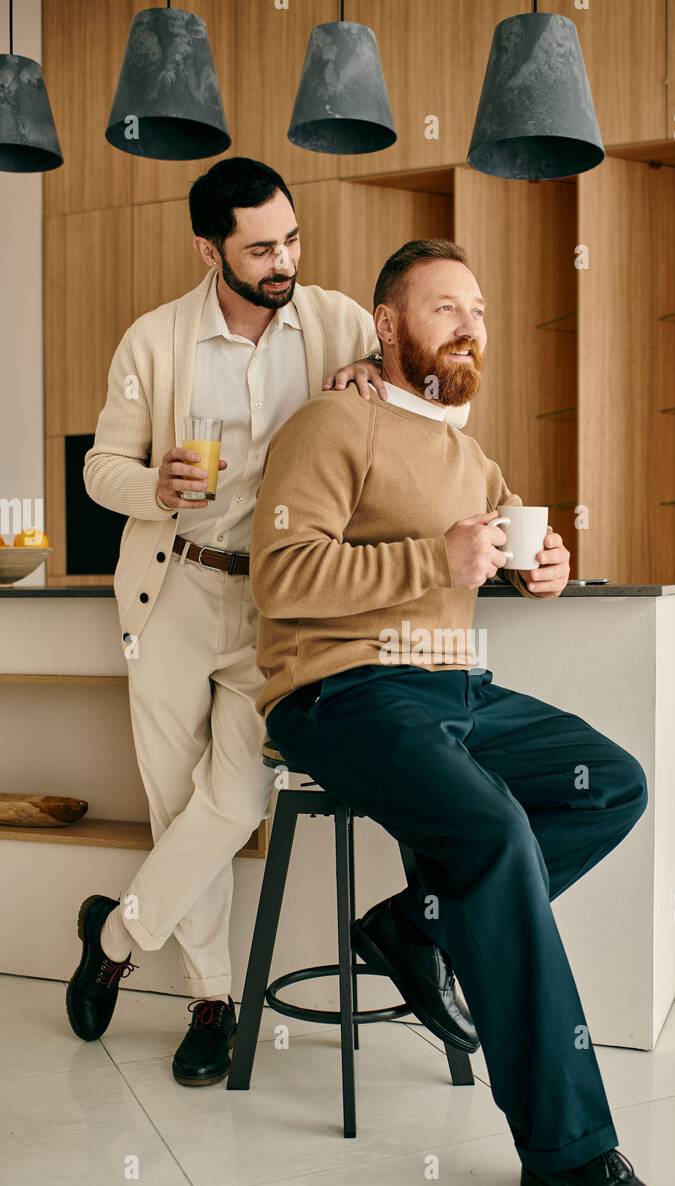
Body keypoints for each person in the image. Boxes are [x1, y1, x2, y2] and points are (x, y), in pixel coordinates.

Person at [249, 238, 675, 1186]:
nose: (467, 324)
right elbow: (280, 579)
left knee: (608, 785)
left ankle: (416, 924)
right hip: (340, 689)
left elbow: (479, 548)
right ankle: (570, 1150)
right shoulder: (330, 421)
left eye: (478, 309)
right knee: (491, 834)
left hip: (450, 682)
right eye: (443, 306)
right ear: (388, 324)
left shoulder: (463, 446)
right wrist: (431, 555)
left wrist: (536, 570)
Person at [65, 157, 414, 1084]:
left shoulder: (337, 319)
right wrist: (155, 485)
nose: (282, 259)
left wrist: (373, 371)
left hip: (282, 604)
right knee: (178, 801)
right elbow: (103, 467)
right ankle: (211, 1001)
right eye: (260, 247)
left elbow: (423, 392)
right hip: (175, 591)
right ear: (208, 248)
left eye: (291, 238)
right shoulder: (154, 341)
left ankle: (114, 932)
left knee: (235, 797)